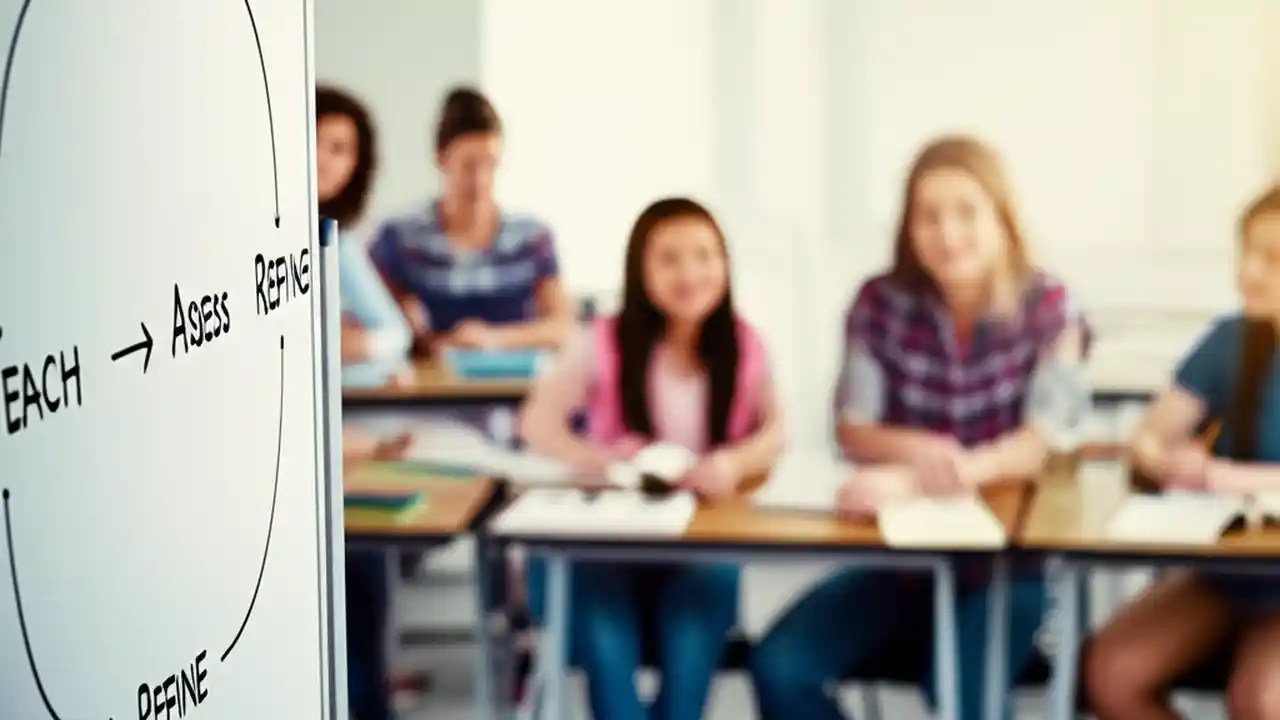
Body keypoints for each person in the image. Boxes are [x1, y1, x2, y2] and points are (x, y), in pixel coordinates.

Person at [749, 136, 1090, 720]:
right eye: (928, 216)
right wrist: (923, 451)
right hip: (901, 559)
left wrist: (951, 472)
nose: (947, 233)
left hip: (1006, 564)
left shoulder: (1052, 306)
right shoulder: (878, 303)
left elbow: (1044, 437)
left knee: (960, 695)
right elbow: (854, 425)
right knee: (783, 666)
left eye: (965, 212)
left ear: (1001, 218)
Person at [518, 197, 785, 720]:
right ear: (640, 270)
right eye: (669, 258)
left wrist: (732, 462)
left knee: (698, 625)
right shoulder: (601, 342)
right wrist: (598, 459)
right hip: (608, 545)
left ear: (725, 265)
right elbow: (536, 425)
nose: (690, 272)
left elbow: (776, 433)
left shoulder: (746, 343)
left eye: (704, 255)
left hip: (696, 543)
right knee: (607, 644)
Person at [1083, 186, 1280, 720]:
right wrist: (1160, 459)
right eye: (1247, 251)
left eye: (1272, 258)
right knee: (1109, 672)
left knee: (1262, 700)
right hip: (1226, 575)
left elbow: (1230, 478)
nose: (1250, 271)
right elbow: (1149, 435)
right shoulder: (1231, 340)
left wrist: (1219, 475)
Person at [317, 84, 411, 720]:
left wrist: (341, 347)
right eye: (315, 141)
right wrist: (335, 344)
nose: (324, 159)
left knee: (364, 581)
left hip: (338, 441)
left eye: (341, 148)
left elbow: (392, 339)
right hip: (300, 451)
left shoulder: (336, 239)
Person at [369, 86, 572, 355]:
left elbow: (562, 328)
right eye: (468, 165)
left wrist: (494, 340)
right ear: (441, 160)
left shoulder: (532, 238)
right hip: (430, 389)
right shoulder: (400, 238)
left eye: (490, 163)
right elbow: (374, 325)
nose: (481, 180)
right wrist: (418, 333)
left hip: (516, 390)